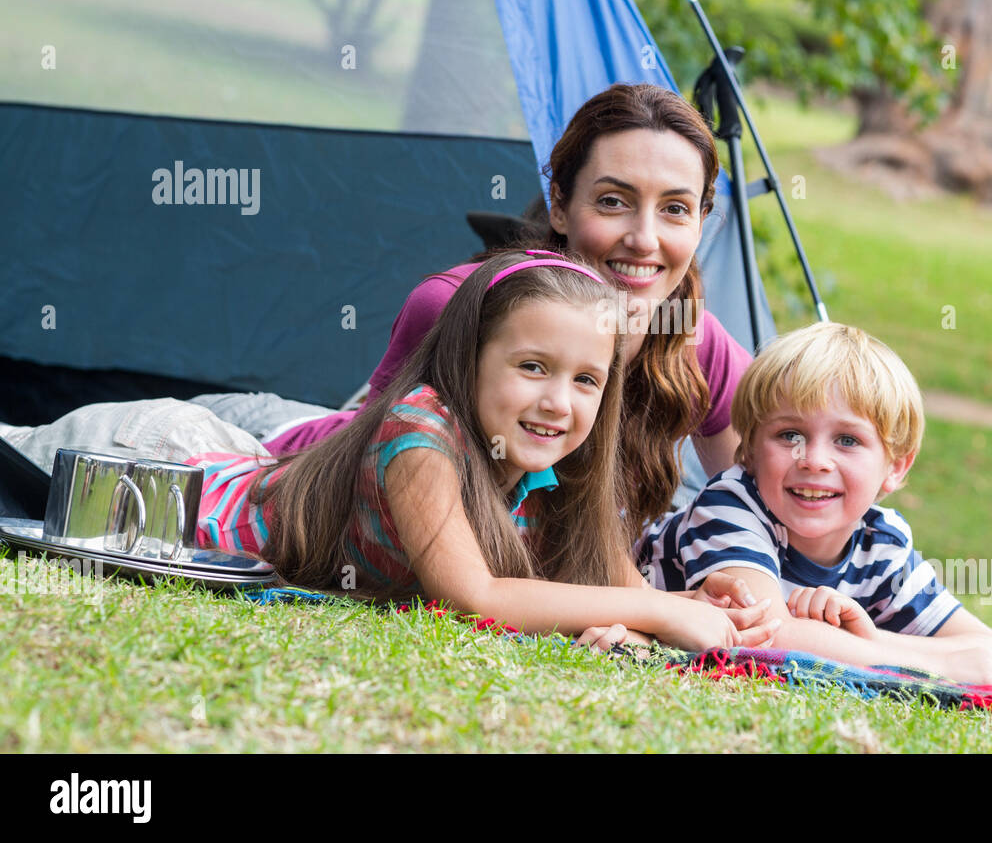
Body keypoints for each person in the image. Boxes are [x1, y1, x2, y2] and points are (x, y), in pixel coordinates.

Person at [184, 250, 779, 650]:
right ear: (468, 360)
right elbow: (474, 598)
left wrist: (689, 605)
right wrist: (661, 614)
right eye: (532, 367)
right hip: (172, 479)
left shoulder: (555, 466)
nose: (557, 402)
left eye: (585, 381)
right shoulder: (420, 432)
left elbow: (626, 596)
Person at [261, 83, 752, 535]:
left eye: (675, 209)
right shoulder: (455, 306)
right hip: (270, 448)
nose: (644, 239)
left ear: (702, 221)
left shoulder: (692, 336)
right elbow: (368, 499)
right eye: (612, 201)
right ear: (559, 204)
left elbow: (758, 506)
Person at [636, 322, 992, 686]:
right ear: (749, 451)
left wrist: (871, 640)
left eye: (848, 440)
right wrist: (930, 662)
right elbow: (763, 637)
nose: (814, 459)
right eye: (790, 435)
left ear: (896, 466)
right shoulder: (729, 506)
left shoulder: (881, 543)